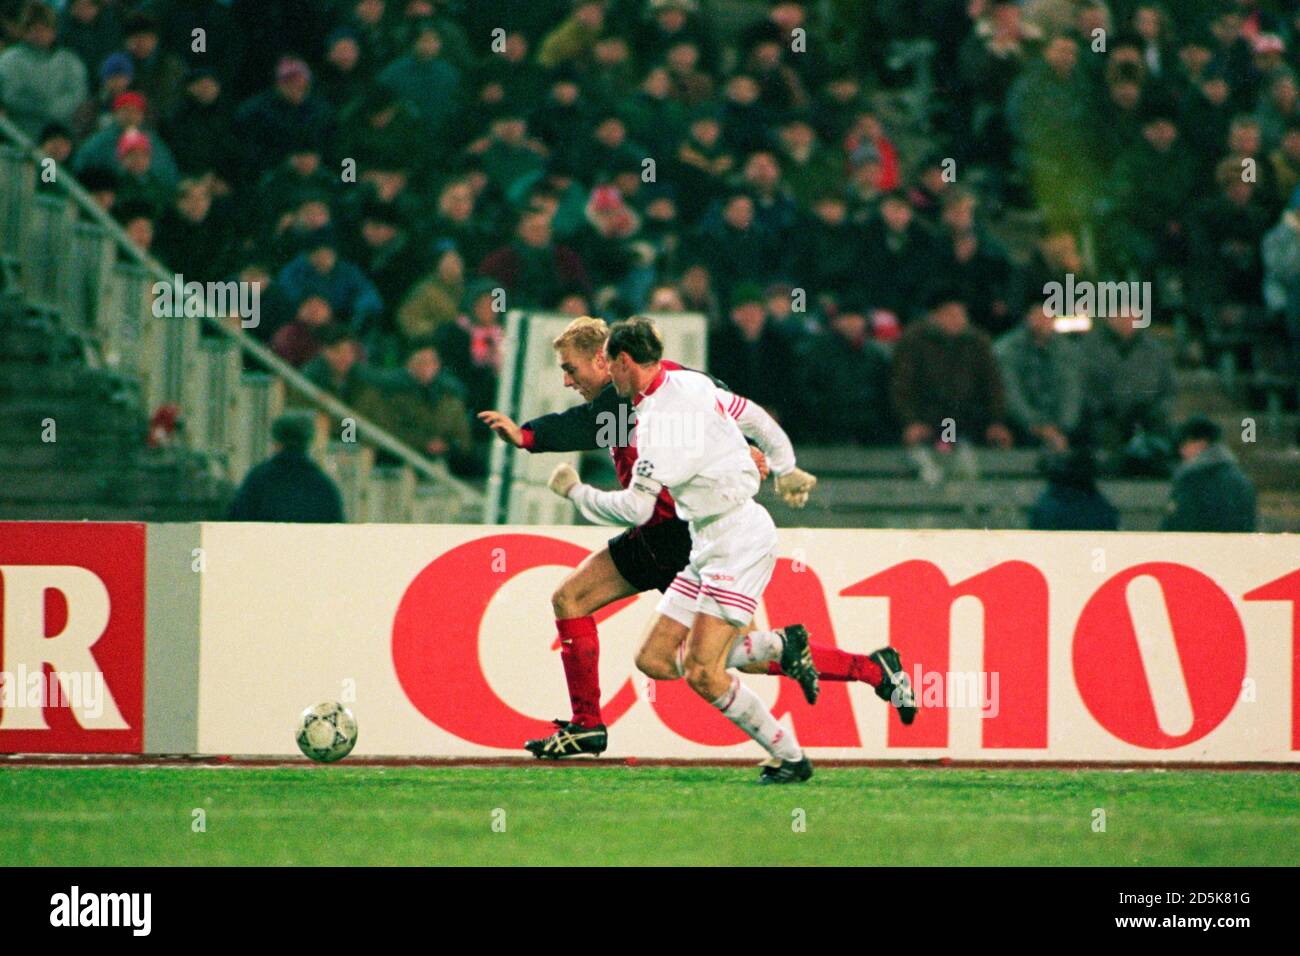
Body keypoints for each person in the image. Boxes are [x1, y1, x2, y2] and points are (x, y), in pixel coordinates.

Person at [479, 317, 913, 761]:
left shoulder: (667, 385)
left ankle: (870, 671)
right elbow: (584, 424)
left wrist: (745, 449)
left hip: (689, 538)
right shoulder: (616, 406)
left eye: (571, 369)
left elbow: (719, 401)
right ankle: (587, 724)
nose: (567, 380)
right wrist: (527, 436)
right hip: (652, 536)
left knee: (737, 656)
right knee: (570, 599)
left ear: (604, 360)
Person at [227, 413, 344, 522]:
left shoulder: (257, 481)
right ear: (307, 442)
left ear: (277, 441)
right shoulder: (323, 487)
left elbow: (237, 522)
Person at [1161, 417, 1257, 532]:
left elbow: (1179, 522)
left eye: (1185, 444)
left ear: (1200, 443)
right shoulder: (1240, 479)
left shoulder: (1192, 479)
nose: (1182, 451)